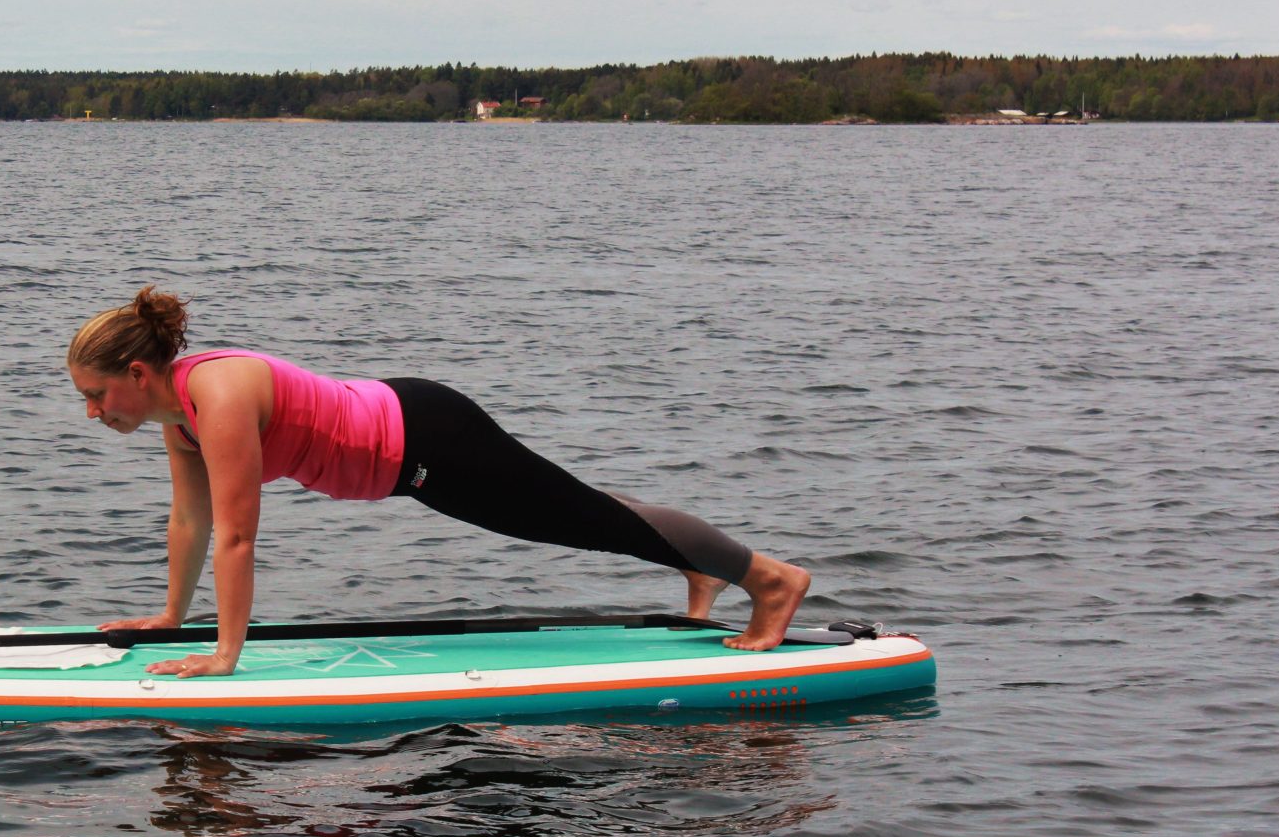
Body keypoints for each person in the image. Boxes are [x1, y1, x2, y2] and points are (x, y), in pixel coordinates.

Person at [67, 286, 811, 678]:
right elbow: (191, 523)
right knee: (581, 510)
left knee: (580, 517)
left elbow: (236, 534)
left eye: (96, 395)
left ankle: (769, 580)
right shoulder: (181, 415)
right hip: (409, 444)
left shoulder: (218, 398)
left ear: (137, 372)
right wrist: (169, 617)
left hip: (428, 442)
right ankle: (696, 564)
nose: (93, 412)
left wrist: (226, 653)